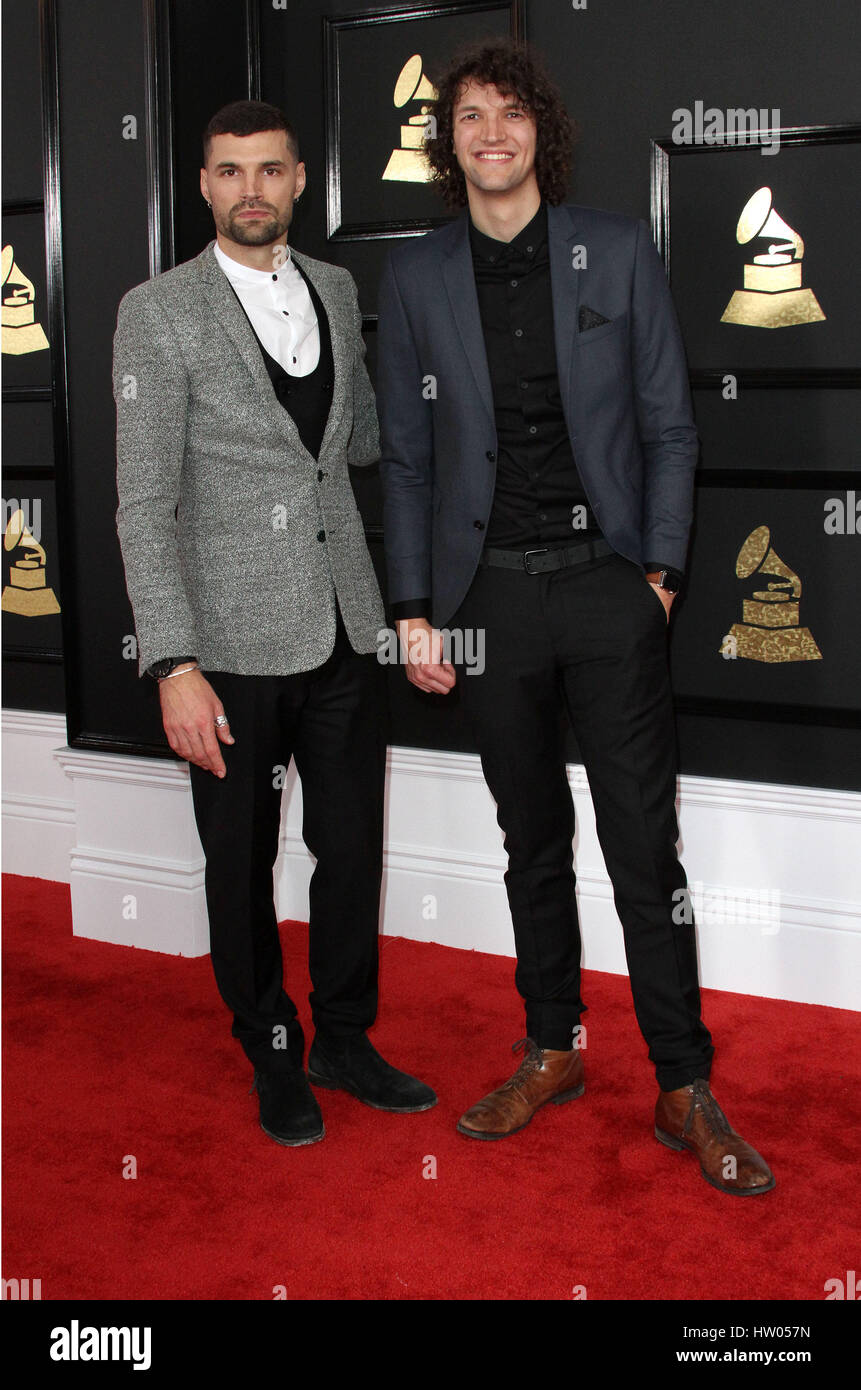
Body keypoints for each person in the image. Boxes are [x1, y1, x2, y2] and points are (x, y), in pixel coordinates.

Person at [376, 41, 773, 1194]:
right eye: (467, 118)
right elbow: (404, 459)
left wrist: (658, 575)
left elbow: (670, 428)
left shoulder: (617, 248)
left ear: (539, 129)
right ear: (446, 145)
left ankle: (683, 1083)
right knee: (527, 839)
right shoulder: (416, 277)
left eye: (508, 113)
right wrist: (412, 610)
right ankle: (552, 1046)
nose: (489, 132)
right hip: (487, 595)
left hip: (609, 586)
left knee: (646, 847)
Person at [113, 100, 435, 1148]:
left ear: (301, 181)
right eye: (228, 171)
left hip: (343, 622)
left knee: (351, 849)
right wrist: (172, 660)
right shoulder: (157, 312)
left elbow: (361, 446)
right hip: (228, 643)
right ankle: (273, 1046)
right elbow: (142, 502)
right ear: (203, 185)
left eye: (269, 169)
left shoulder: (338, 291)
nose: (250, 188)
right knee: (239, 860)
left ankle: (345, 1033)